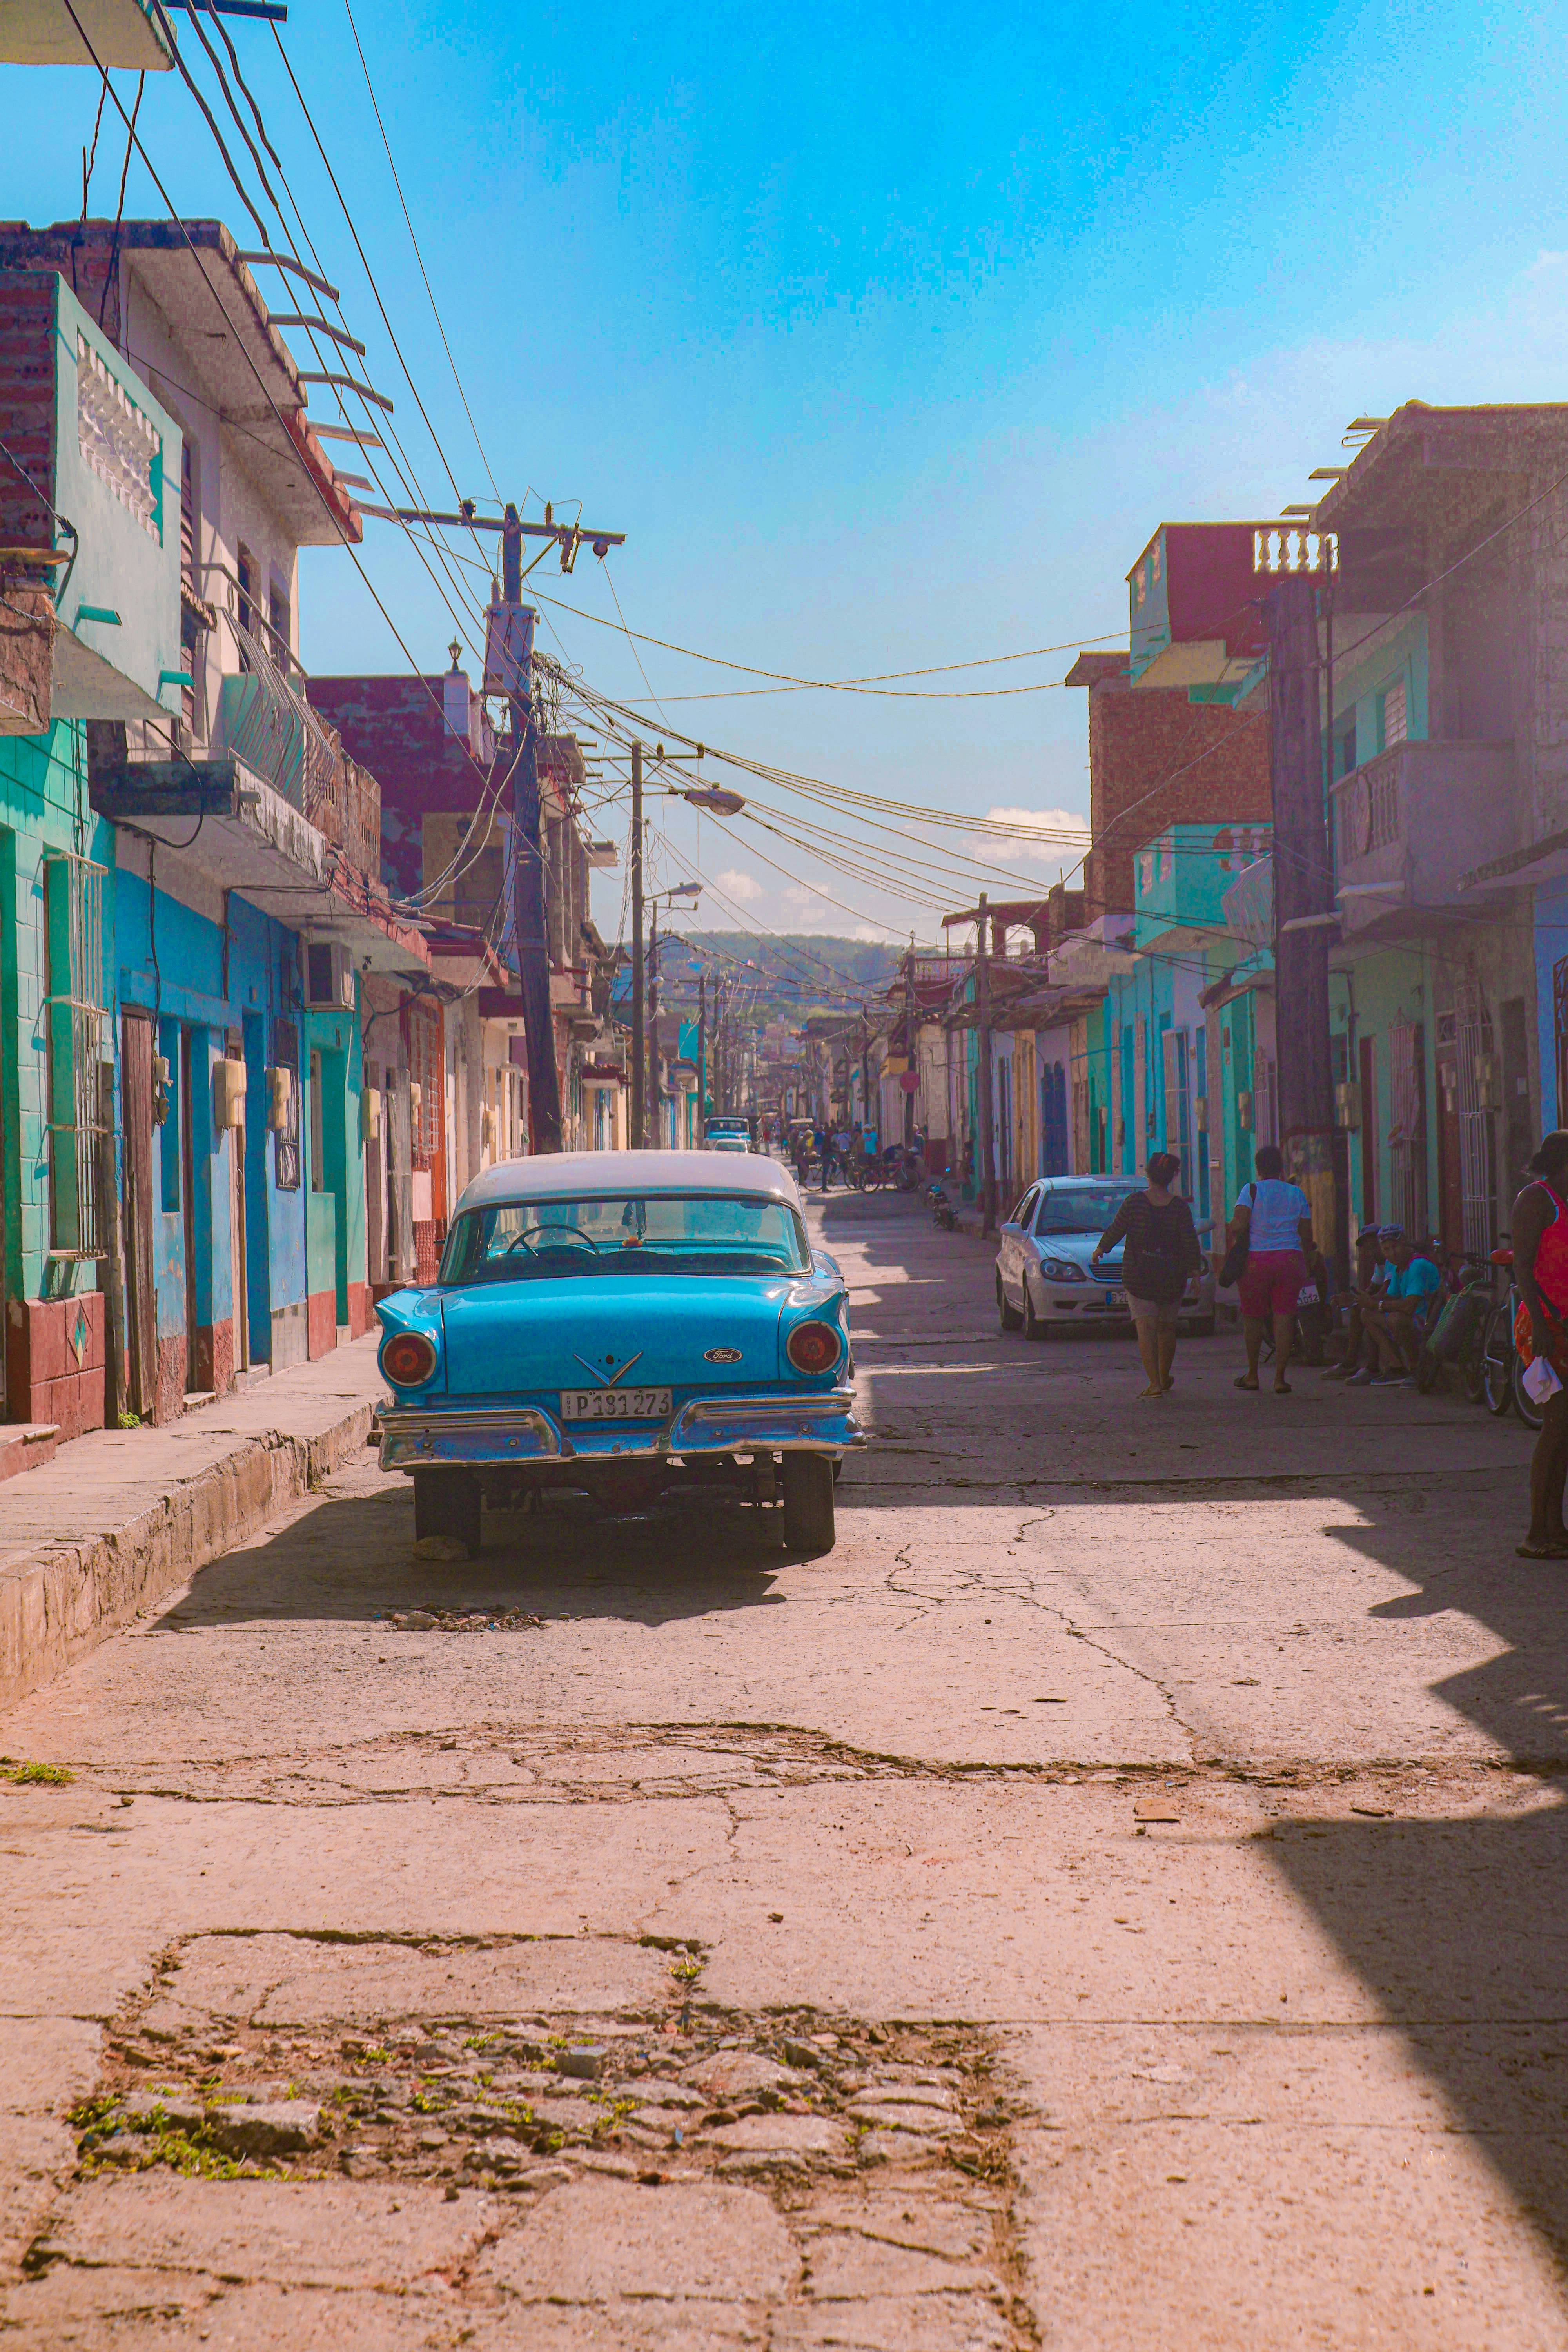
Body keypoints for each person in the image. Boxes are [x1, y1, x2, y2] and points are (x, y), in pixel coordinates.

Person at [1090, 1151, 1202, 1401]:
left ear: (1148, 1174)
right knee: (1166, 1328)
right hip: (1172, 1277)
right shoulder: (1179, 1207)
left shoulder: (1135, 1203)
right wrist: (1195, 1272)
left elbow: (1116, 1229)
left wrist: (1101, 1249)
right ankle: (1163, 1377)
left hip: (1139, 1276)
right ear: (1172, 1177)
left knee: (1146, 1327)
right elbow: (1189, 1241)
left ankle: (1154, 1384)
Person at [1510, 1131, 1568, 1557]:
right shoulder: (1536, 1199)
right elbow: (1523, 1270)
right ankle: (1537, 1532)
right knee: (1555, 1426)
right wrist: (1545, 1327)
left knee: (1563, 1431)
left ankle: (1555, 1527)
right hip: (1544, 1329)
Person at [1227, 1144, 1313, 1395]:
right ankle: (1280, 1379)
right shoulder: (1296, 1193)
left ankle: (1253, 1375)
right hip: (1290, 1260)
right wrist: (1308, 1260)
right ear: (1282, 1167)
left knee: (1253, 1318)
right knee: (1284, 1317)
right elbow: (1306, 1235)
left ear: (1259, 1168)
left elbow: (1238, 1226)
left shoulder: (1251, 1191)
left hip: (1257, 1262)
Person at [1354, 1233, 1443, 1387]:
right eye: (1387, 1249)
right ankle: (1397, 1368)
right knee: (1367, 1314)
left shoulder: (1417, 1264)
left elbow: (1410, 1305)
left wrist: (1376, 1305)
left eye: (1395, 1247)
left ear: (1406, 1245)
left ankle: (1418, 1369)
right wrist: (1359, 1301)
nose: (1392, 1253)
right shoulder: (1399, 1268)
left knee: (1396, 1319)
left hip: (1434, 1322)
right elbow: (1391, 1297)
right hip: (1418, 1319)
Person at [1322, 1229, 1390, 1380]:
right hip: (1388, 1306)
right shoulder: (1380, 1266)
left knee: (1364, 1310)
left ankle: (1363, 1365)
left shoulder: (1390, 1263)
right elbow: (1369, 1292)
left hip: (1397, 1307)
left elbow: (1385, 1294)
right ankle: (1352, 1362)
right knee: (1359, 1309)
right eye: (1366, 1248)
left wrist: (1355, 1300)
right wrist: (1351, 1298)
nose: (1370, 1252)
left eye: (1374, 1246)